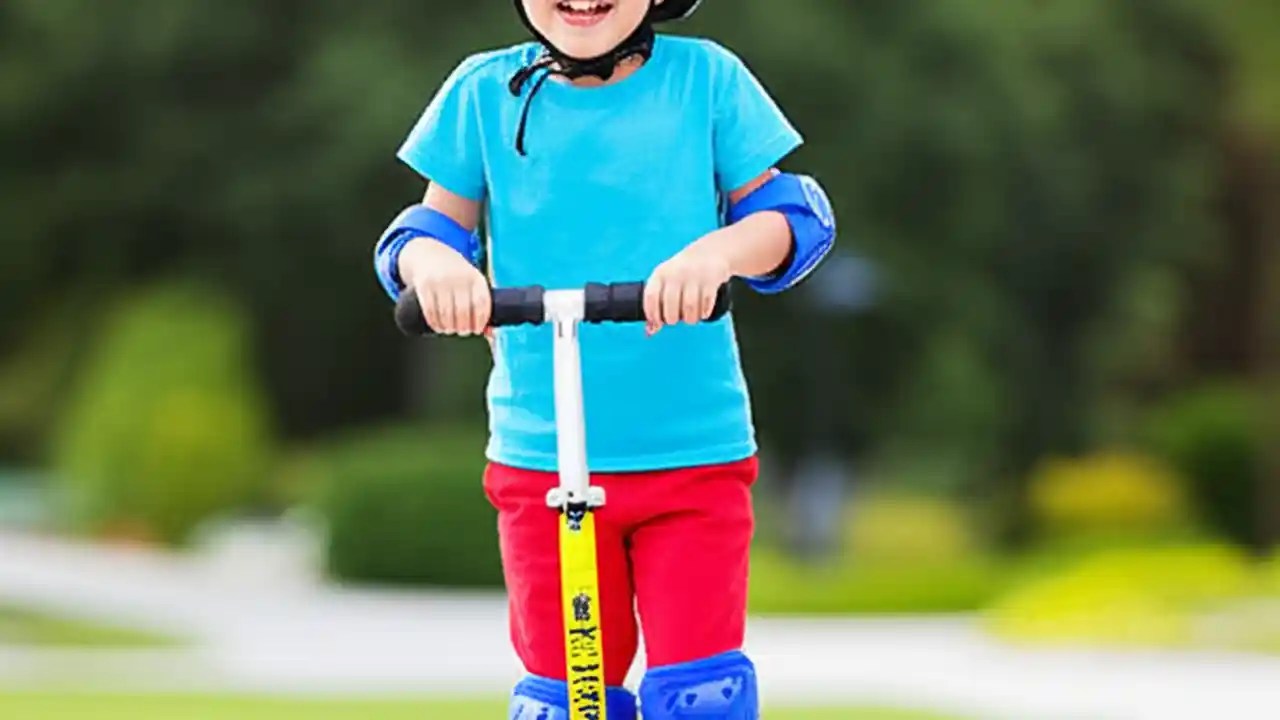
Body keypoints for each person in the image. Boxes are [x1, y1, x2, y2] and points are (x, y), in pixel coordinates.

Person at [373, 1, 835, 717]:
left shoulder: (705, 80)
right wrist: (437, 270)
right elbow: (424, 230)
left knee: (701, 698)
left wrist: (718, 254)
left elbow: (793, 218)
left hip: (691, 454)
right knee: (563, 702)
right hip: (541, 457)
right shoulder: (482, 93)